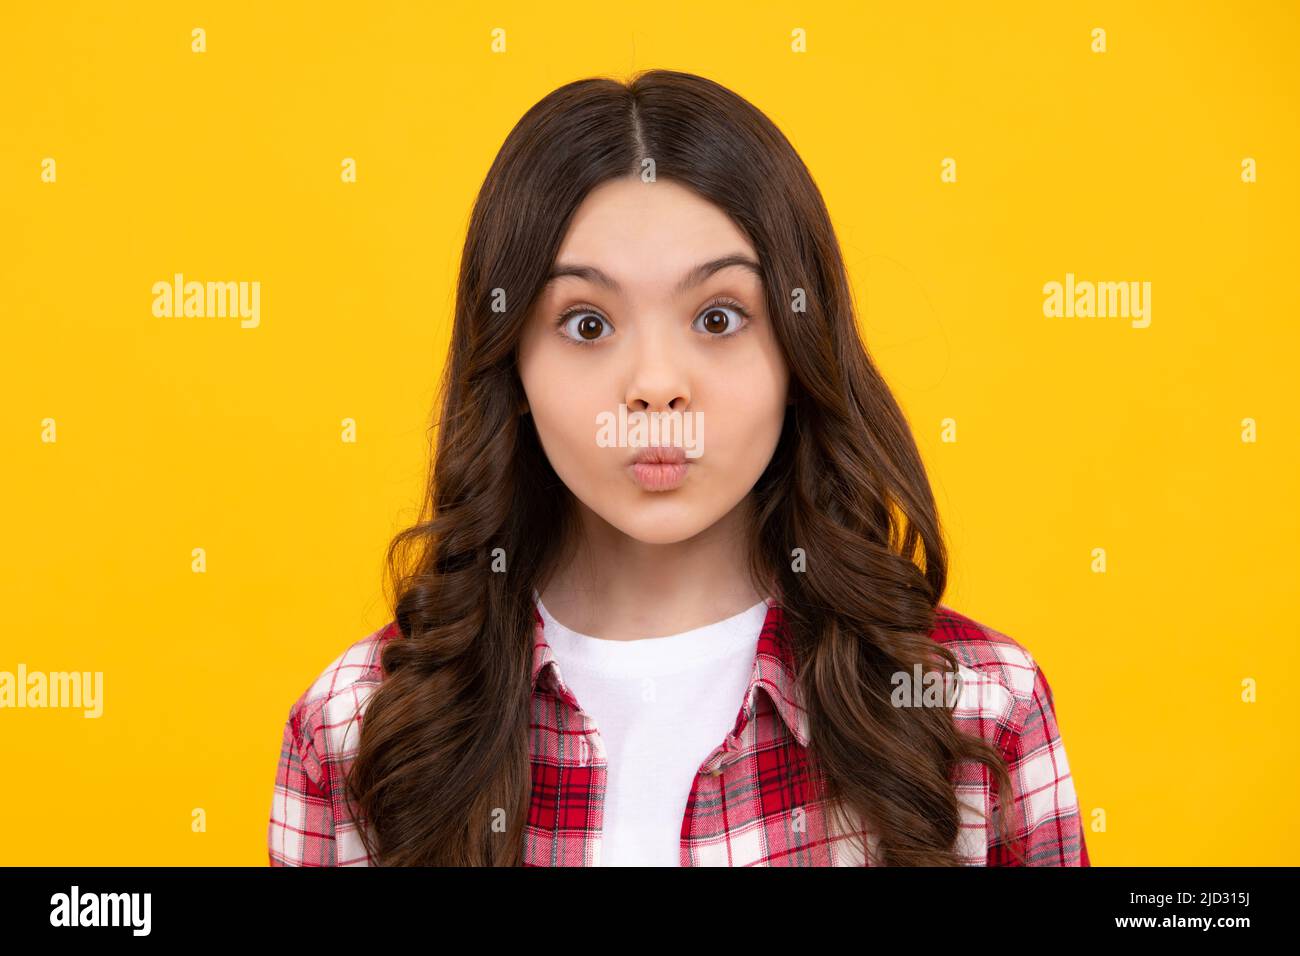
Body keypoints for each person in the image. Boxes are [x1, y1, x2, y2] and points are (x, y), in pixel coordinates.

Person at [268, 68, 1088, 867]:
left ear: (798, 352)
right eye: (587, 324)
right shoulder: (357, 731)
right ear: (512, 368)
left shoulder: (980, 707)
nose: (657, 386)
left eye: (719, 316)